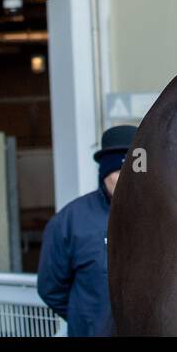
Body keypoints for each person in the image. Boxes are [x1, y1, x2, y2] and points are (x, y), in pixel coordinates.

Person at [36, 125, 136, 336]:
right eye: (119, 169)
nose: (127, 178)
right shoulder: (71, 221)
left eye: (134, 171)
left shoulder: (160, 218)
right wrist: (88, 319)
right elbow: (50, 287)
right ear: (105, 171)